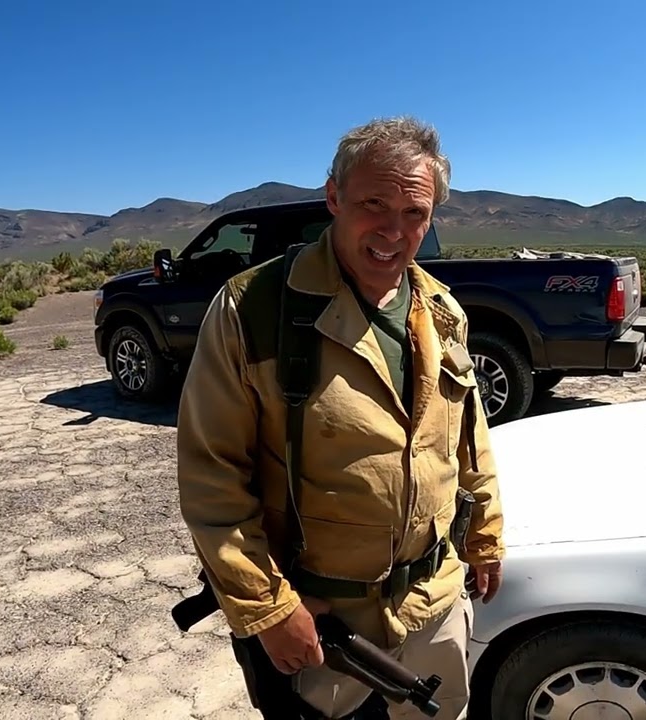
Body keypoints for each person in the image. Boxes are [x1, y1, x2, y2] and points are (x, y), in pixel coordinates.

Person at [175, 116, 505, 720]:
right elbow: (211, 478)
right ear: (333, 197)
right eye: (373, 204)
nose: (393, 231)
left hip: (432, 606)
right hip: (321, 624)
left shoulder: (441, 309)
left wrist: (484, 537)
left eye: (415, 213)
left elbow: (468, 439)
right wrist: (269, 611)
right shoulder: (253, 310)